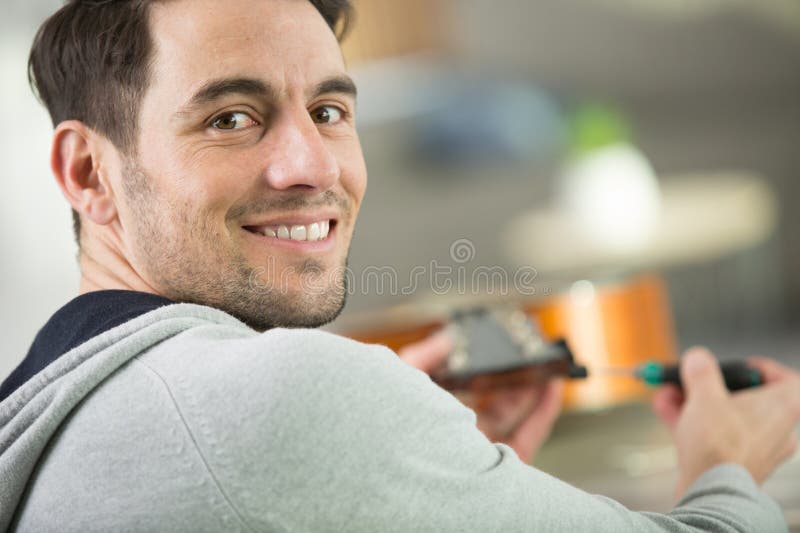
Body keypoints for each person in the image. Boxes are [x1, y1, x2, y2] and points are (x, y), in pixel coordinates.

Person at [0, 0, 798, 531]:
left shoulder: (61, 421)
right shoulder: (274, 401)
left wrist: (409, 470)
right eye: (231, 117)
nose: (311, 166)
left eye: (329, 111)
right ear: (87, 173)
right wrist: (728, 465)